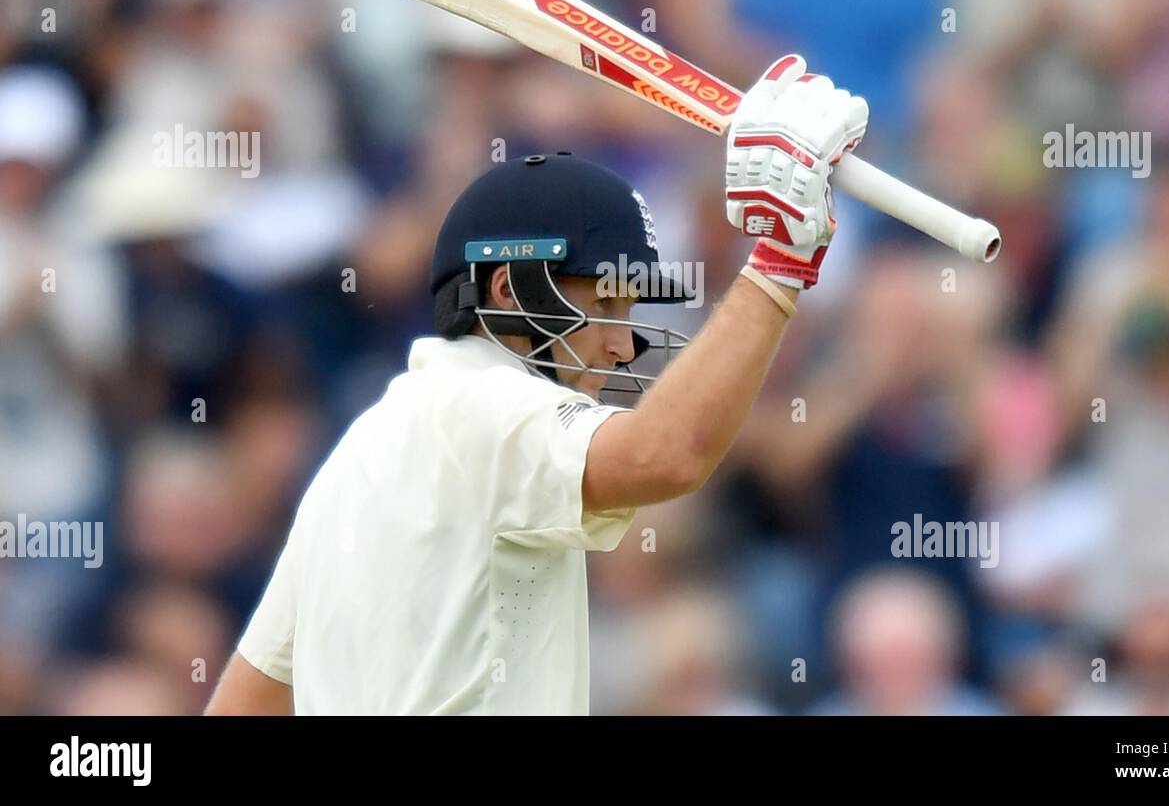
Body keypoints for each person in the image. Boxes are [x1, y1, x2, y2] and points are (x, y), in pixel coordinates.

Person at [204, 55, 869, 714]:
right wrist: (780, 260)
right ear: (507, 292)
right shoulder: (487, 404)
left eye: (629, 310)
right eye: (603, 305)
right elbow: (664, 454)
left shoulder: (351, 461)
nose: (620, 340)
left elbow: (242, 707)